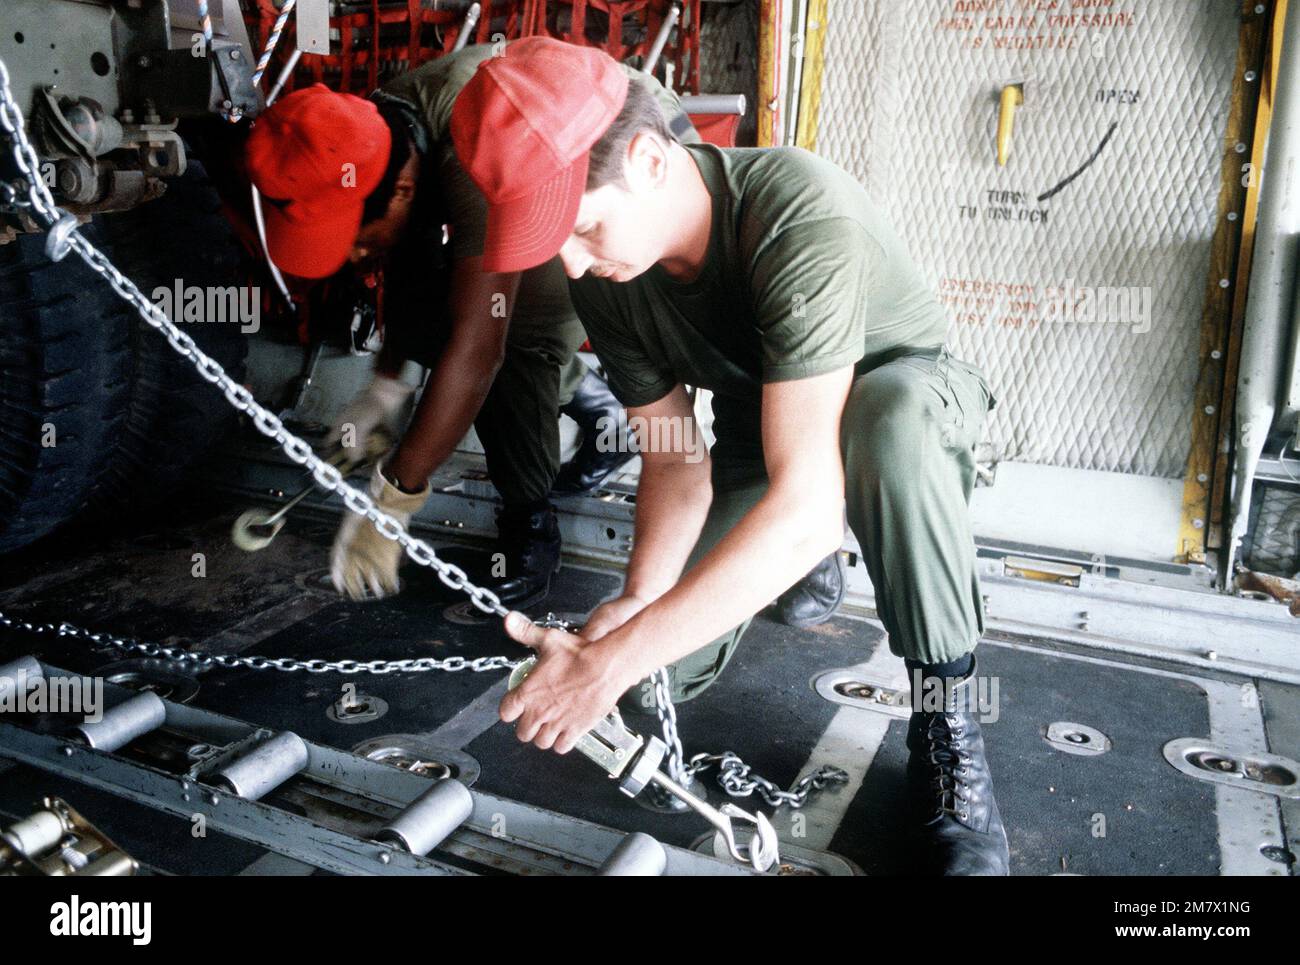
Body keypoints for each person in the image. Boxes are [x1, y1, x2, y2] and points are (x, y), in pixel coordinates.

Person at [451, 37, 1009, 875]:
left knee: (883, 432)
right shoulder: (609, 273)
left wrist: (605, 660)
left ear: (646, 158)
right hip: (774, 434)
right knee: (651, 684)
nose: (568, 260)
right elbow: (675, 457)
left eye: (584, 225)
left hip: (905, 396)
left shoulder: (795, 210)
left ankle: (949, 719)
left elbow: (810, 501)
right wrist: (639, 603)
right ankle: (795, 563)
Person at [242, 42, 671, 607]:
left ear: (401, 192)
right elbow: (409, 261)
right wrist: (385, 389)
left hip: (611, 163)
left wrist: (392, 497)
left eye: (356, 238)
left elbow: (478, 349)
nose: (350, 258)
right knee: (450, 307)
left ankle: (530, 525)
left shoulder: (473, 160)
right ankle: (599, 412)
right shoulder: (373, 131)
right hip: (525, 160)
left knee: (514, 338)